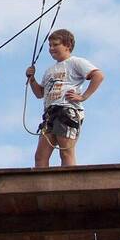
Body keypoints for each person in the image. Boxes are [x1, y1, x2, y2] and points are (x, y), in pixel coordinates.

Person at [27, 28, 103, 168]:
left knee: (65, 151)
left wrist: (83, 96)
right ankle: (42, 187)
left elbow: (98, 75)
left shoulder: (75, 62)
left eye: (55, 44)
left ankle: (69, 182)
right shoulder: (49, 70)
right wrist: (32, 80)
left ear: (67, 45)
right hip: (50, 113)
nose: (51, 48)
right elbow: (39, 93)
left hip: (66, 110)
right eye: (50, 45)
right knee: (40, 156)